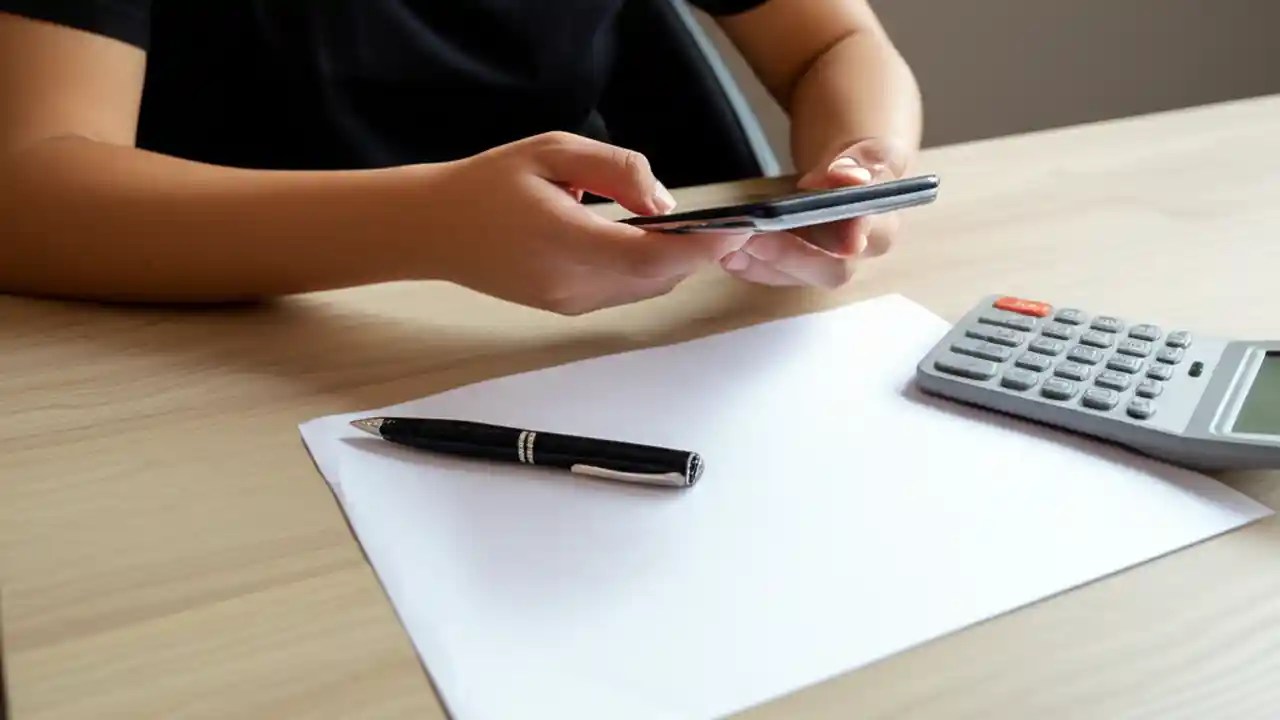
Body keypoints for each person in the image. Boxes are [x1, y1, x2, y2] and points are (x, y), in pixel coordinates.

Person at [0, 1, 921, 315]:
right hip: (209, 333)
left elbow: (834, 42)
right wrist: (427, 221)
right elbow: (27, 185)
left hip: (564, 348)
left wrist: (863, 166)